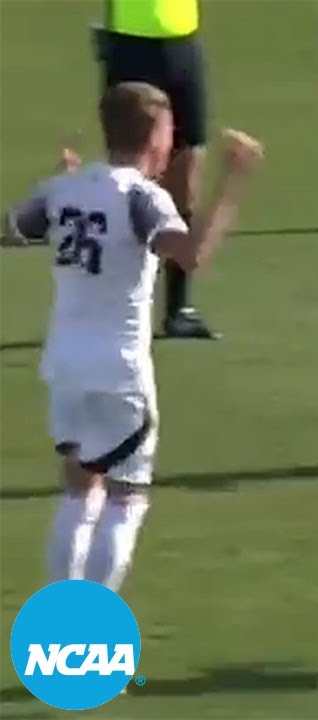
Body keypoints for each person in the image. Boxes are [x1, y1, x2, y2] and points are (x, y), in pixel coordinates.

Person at [1, 83, 262, 593]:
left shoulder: (64, 190)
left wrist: (54, 185)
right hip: (118, 367)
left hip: (64, 363)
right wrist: (232, 181)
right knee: (125, 498)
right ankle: (93, 635)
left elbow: (11, 227)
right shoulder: (142, 197)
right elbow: (191, 255)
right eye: (170, 132)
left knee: (79, 491)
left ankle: (62, 625)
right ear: (155, 139)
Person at [96, 0, 219, 339]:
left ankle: (178, 308)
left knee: (189, 168)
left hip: (183, 45)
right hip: (131, 45)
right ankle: (112, 303)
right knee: (127, 180)